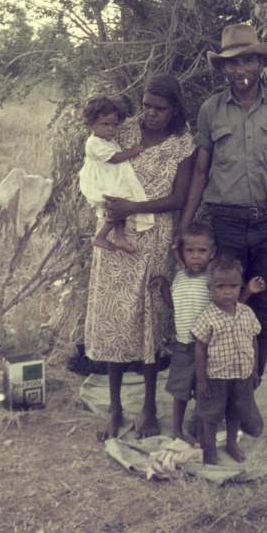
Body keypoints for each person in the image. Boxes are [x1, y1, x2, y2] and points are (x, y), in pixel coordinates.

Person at [173, 22, 267, 379]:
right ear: (222, 69)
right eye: (231, 64)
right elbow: (200, 174)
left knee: (261, 309)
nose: (240, 70)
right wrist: (185, 229)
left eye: (247, 61)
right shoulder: (211, 110)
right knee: (221, 306)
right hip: (226, 225)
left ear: (261, 64)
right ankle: (219, 389)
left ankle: (250, 389)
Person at [84, 74, 197, 441]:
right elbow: (97, 164)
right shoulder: (123, 130)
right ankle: (115, 407)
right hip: (116, 236)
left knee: (150, 319)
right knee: (114, 318)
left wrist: (136, 205)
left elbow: (179, 198)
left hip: (154, 238)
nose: (150, 114)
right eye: (146, 105)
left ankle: (148, 406)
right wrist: (111, 206)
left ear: (174, 110)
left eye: (160, 108)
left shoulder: (183, 145)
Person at [149, 221, 265, 443]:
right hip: (183, 344)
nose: (195, 257)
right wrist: (164, 286)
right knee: (181, 390)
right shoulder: (180, 277)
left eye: (201, 251)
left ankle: (202, 426)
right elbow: (174, 304)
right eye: (189, 251)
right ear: (181, 252)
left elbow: (230, 306)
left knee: (206, 389)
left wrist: (248, 291)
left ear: (212, 253)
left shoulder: (211, 280)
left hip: (211, 348)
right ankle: (176, 430)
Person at [192, 253, 264, 465]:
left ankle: (232, 443)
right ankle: (210, 447)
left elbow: (254, 342)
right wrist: (202, 380)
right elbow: (200, 350)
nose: (227, 292)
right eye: (221, 287)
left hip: (241, 375)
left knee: (236, 411)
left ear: (240, 287)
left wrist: (254, 370)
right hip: (216, 377)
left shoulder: (246, 313)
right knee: (211, 414)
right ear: (210, 288)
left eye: (233, 286)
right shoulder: (208, 316)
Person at [78, 95, 154, 254]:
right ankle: (100, 236)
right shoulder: (94, 142)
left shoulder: (106, 139)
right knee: (115, 207)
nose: (111, 129)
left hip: (109, 179)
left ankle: (119, 238)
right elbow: (114, 158)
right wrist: (132, 152)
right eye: (105, 124)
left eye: (114, 125)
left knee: (120, 206)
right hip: (101, 182)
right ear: (92, 124)